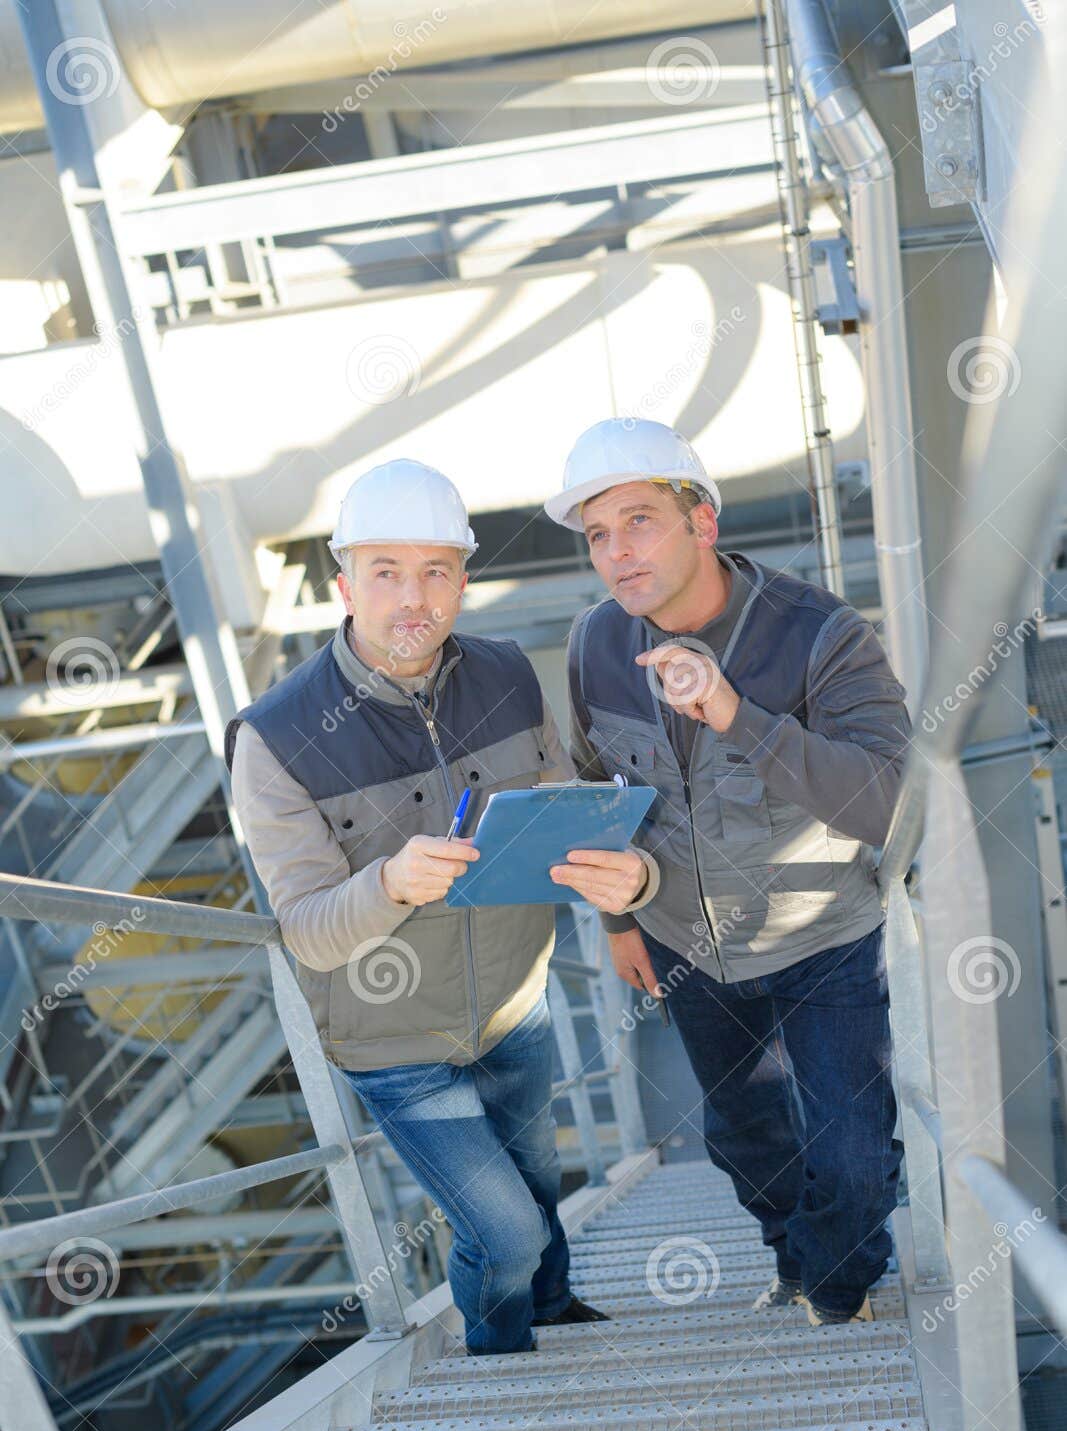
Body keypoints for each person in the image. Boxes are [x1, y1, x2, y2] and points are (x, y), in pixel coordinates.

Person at [226, 458, 657, 1354]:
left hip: (514, 1002)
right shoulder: (274, 737)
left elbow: (561, 812)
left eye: (435, 571)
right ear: (345, 586)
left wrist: (617, 899)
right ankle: (500, 1356)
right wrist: (388, 883)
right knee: (503, 1232)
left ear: (462, 581)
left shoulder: (506, 674)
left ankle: (551, 1307)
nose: (412, 598)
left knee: (537, 1180)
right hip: (394, 1041)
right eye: (385, 572)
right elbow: (307, 933)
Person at [546, 418, 911, 1326]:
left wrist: (733, 714)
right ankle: (796, 1265)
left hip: (822, 939)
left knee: (855, 1156)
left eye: (638, 521)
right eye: (597, 534)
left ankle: (838, 1286)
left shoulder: (818, 634)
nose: (616, 552)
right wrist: (620, 923)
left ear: (701, 522)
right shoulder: (595, 644)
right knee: (745, 1140)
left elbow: (889, 803)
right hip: (686, 946)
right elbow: (598, 788)